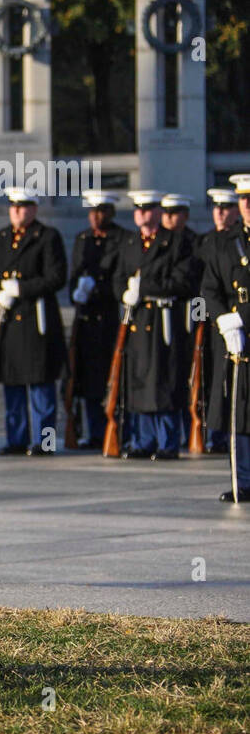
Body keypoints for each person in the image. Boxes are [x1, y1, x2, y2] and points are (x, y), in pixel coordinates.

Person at [0, 187, 68, 455]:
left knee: (42, 389)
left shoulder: (47, 237)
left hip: (36, 320)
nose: (17, 211)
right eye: (13, 206)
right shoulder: (0, 238)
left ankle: (47, 442)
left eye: (23, 206)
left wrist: (22, 288)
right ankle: (16, 439)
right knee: (13, 387)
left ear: (34, 209)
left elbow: (56, 277)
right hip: (9, 324)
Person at [112, 191, 198, 460]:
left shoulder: (175, 242)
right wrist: (125, 292)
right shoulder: (129, 242)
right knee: (138, 382)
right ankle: (142, 440)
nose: (142, 214)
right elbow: (118, 277)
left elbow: (184, 282)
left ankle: (167, 442)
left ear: (158, 213)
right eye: (138, 209)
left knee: (163, 381)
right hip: (137, 321)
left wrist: (145, 288)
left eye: (148, 209)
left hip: (162, 322)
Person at [200, 174, 250, 500]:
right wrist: (223, 320)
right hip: (237, 342)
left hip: (244, 325)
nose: (248, 205)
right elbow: (209, 288)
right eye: (244, 199)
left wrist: (242, 317)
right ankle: (242, 481)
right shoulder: (223, 242)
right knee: (240, 411)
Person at [65, 189, 127, 449]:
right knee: (86, 379)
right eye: (92, 212)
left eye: (100, 212)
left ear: (110, 213)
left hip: (109, 318)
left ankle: (116, 430)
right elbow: (74, 273)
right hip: (85, 319)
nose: (95, 217)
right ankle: (93, 432)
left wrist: (97, 290)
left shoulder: (122, 239)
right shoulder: (83, 239)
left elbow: (119, 278)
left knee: (111, 377)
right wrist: (76, 293)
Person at [200, 188, 241, 453]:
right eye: (216, 207)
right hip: (215, 320)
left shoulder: (237, 240)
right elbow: (203, 285)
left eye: (226, 207)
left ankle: (231, 434)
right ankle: (214, 434)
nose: (220, 212)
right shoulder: (206, 241)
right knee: (212, 378)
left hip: (237, 319)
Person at [161, 193, 200, 447]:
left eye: (174, 213)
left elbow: (189, 281)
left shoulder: (193, 242)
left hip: (188, 312)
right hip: (162, 317)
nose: (169, 218)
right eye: (166, 213)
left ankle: (190, 430)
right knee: (166, 377)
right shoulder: (156, 242)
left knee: (188, 374)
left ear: (185, 215)